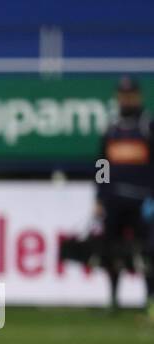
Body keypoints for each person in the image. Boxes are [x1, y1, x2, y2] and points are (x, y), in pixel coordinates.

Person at [94, 76, 154, 318]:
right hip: (114, 201)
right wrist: (100, 197)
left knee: (147, 252)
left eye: (130, 95)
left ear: (138, 96)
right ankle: (112, 299)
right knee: (111, 252)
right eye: (122, 95)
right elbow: (101, 164)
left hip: (143, 201)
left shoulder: (147, 127)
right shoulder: (111, 128)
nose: (126, 100)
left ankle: (149, 300)